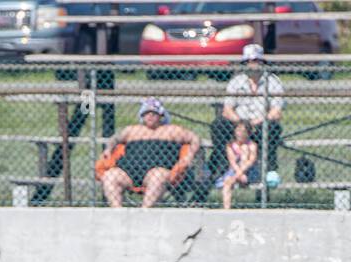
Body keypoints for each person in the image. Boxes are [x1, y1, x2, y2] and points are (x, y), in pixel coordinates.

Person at [97, 98, 202, 208]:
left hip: (157, 170)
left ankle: (145, 213)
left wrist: (190, 155)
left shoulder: (172, 130)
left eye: (154, 113)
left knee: (158, 176)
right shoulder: (132, 130)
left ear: (161, 115)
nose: (150, 116)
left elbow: (195, 138)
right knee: (110, 176)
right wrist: (108, 149)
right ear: (142, 116)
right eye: (146, 113)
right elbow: (115, 139)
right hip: (128, 171)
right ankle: (118, 213)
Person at [213, 43, 284, 176]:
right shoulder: (236, 81)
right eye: (250, 61)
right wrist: (241, 123)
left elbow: (276, 111)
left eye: (256, 60)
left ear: (262, 61)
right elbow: (227, 110)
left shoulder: (273, 81)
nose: (253, 64)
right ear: (245, 62)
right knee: (218, 126)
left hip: (261, 122)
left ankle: (268, 169)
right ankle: (222, 166)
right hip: (237, 123)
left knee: (273, 127)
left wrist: (257, 121)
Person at [217, 121, 260, 210]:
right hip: (235, 170)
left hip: (249, 171)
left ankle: (241, 180)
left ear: (248, 133)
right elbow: (232, 162)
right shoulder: (230, 145)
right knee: (228, 182)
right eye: (238, 131)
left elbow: (251, 161)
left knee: (244, 148)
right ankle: (226, 209)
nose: (240, 134)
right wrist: (238, 174)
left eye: (243, 132)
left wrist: (240, 173)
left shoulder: (252, 145)